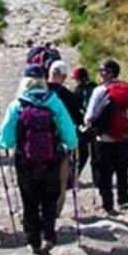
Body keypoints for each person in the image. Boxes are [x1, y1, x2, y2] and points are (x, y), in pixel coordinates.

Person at [0, 65, 78, 255]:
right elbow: (71, 138)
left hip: (25, 161)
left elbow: (6, 140)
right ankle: (49, 235)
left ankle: (33, 240)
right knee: (50, 198)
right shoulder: (55, 103)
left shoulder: (17, 105)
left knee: (29, 199)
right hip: (52, 159)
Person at [84, 59, 128, 216]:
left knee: (104, 172)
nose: (99, 74)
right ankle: (124, 200)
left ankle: (108, 204)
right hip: (126, 137)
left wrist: (89, 126)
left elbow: (90, 115)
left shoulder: (100, 91)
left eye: (101, 71)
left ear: (109, 73)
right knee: (122, 171)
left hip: (105, 138)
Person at [45, 60, 82, 216]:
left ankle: (36, 210)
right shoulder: (67, 95)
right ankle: (54, 212)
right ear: (64, 77)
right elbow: (77, 119)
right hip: (59, 144)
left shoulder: (36, 92)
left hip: (34, 143)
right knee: (60, 179)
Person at [72, 67, 99, 175]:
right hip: (96, 124)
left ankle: (73, 177)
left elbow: (74, 107)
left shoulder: (78, 90)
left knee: (82, 153)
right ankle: (98, 179)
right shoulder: (96, 88)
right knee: (96, 153)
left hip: (83, 125)